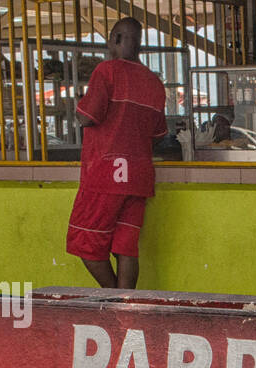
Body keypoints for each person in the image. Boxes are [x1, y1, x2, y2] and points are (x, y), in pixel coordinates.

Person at [65, 17, 167, 289]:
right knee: (126, 248)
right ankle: (126, 310)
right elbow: (158, 135)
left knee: (85, 244)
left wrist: (77, 107)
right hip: (139, 176)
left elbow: (88, 117)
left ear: (116, 39)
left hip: (105, 173)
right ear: (140, 44)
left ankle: (113, 301)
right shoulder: (155, 83)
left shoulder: (106, 71)